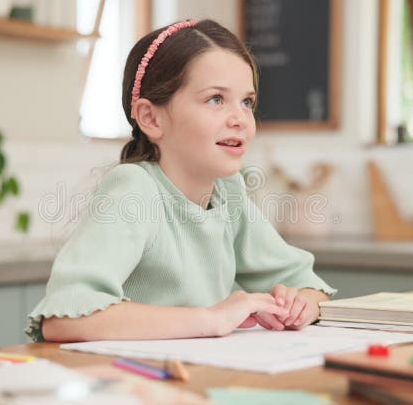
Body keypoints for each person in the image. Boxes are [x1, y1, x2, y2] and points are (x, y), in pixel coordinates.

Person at [26, 19, 336, 343]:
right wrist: (211, 319)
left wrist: (302, 305)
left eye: (247, 102)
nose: (240, 119)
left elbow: (311, 287)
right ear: (151, 117)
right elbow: (63, 319)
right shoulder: (135, 188)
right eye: (216, 99)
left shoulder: (229, 193)